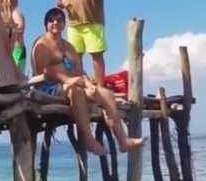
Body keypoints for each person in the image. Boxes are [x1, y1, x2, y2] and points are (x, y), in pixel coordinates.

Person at [32, 8, 143, 156]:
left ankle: (123, 141)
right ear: (46, 24)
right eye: (51, 20)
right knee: (76, 91)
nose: (55, 23)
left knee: (106, 94)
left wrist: (90, 85)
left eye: (59, 20)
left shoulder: (68, 46)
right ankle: (88, 140)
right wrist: (68, 80)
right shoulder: (42, 45)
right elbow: (43, 72)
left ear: (64, 23)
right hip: (48, 87)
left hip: (74, 83)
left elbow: (79, 70)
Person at [57, 0, 110, 85]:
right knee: (75, 56)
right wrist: (60, 4)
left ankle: (100, 86)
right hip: (73, 23)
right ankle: (81, 85)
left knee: (96, 54)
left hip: (92, 20)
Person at [1, 0, 27, 77]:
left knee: (16, 76)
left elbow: (20, 29)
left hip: (17, 51)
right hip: (12, 50)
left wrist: (8, 25)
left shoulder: (15, 13)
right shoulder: (2, 15)